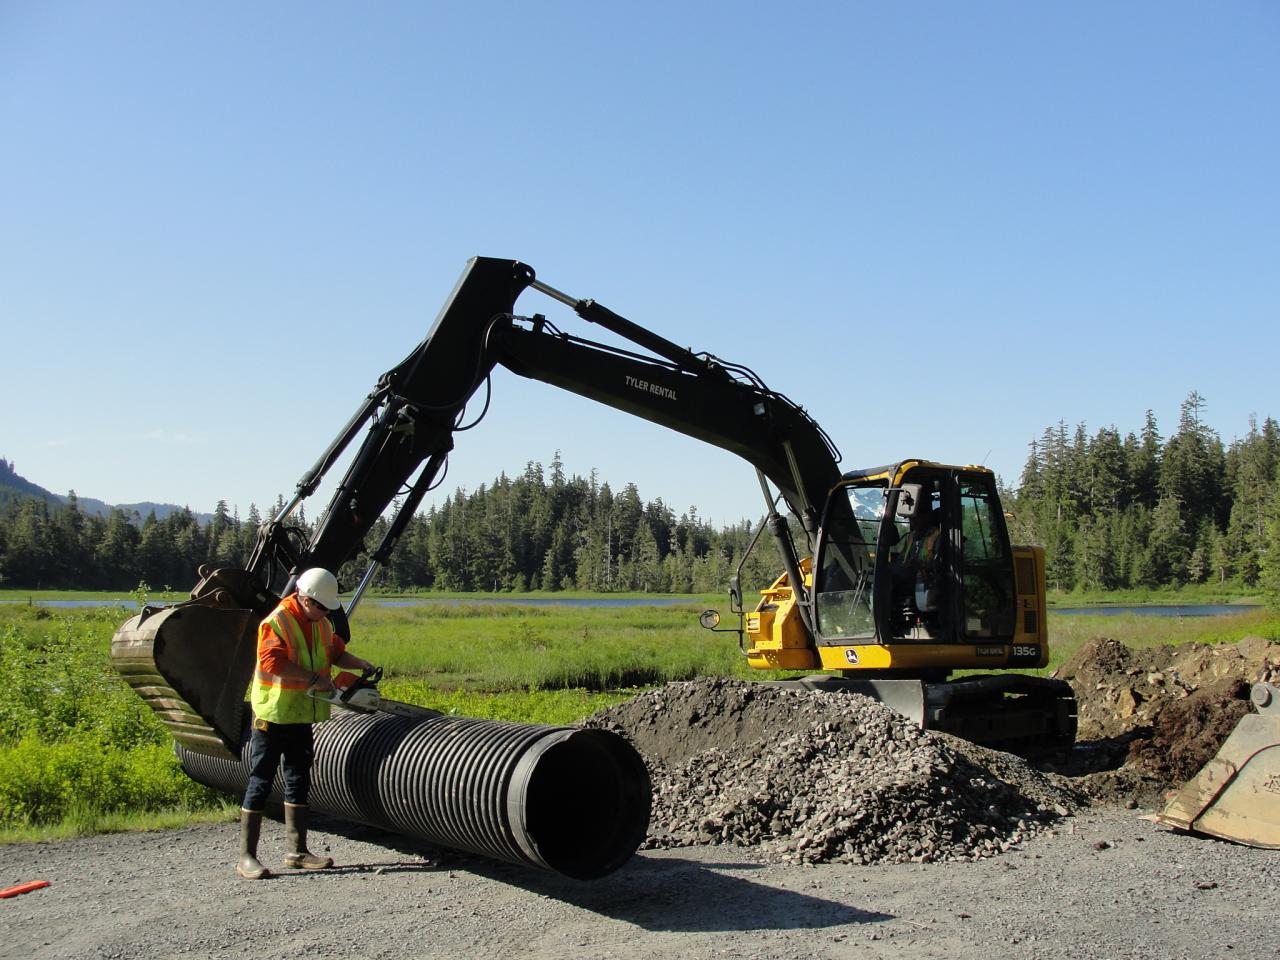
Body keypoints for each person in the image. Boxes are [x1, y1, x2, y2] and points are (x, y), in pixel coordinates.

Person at [236, 567, 375, 880]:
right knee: (261, 780)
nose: (327, 612)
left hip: (301, 715)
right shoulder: (277, 622)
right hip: (273, 716)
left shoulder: (322, 623)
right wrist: (314, 679)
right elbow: (272, 662)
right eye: (323, 607)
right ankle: (247, 857)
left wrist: (361, 664)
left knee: (298, 777)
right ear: (307, 600)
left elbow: (336, 652)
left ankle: (297, 852)